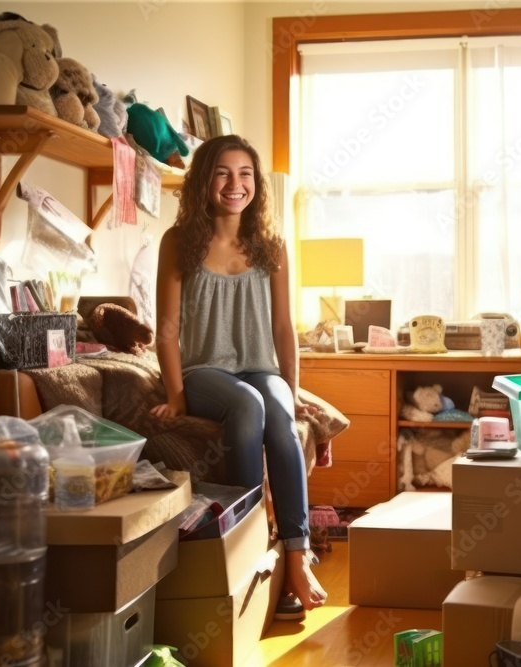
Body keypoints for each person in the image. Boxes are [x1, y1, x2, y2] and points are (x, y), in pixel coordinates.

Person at [150, 134, 327, 617]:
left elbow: (283, 328)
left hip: (260, 366)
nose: (235, 184)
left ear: (257, 184)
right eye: (224, 173)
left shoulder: (271, 245)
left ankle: (296, 553)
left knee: (275, 410)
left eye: (245, 174)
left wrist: (291, 393)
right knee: (246, 404)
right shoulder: (179, 242)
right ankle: (251, 541)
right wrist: (178, 396)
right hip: (206, 370)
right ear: (205, 181)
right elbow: (166, 330)